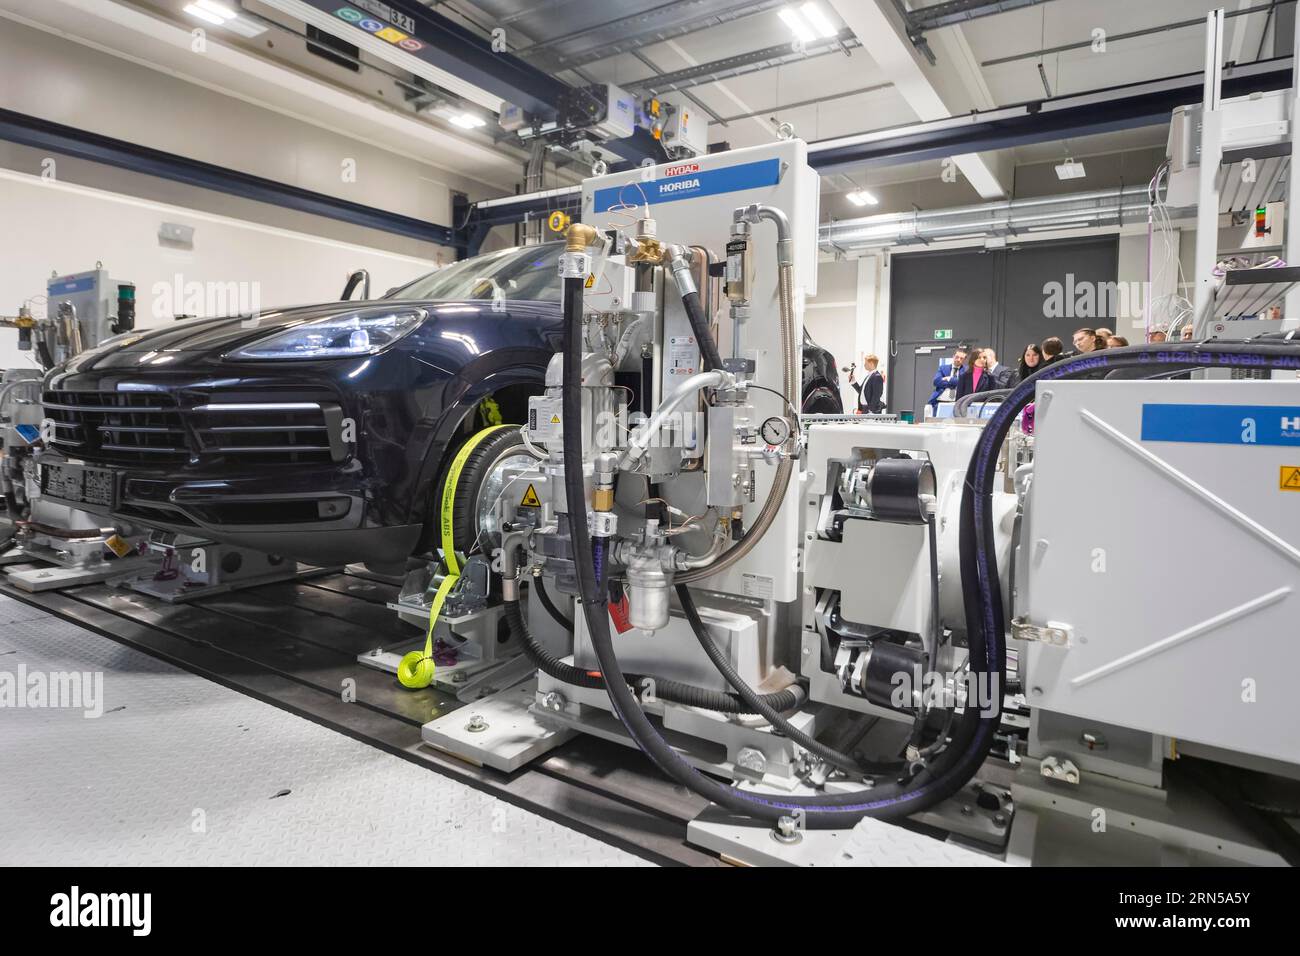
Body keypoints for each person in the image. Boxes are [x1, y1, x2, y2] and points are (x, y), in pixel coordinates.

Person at [927, 345, 968, 413]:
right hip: (940, 401)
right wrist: (954, 383)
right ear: (953, 356)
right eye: (957, 357)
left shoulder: (966, 370)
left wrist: (950, 379)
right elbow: (936, 381)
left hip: (958, 403)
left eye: (961, 358)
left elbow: (964, 383)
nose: (958, 360)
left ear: (964, 360)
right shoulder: (943, 368)